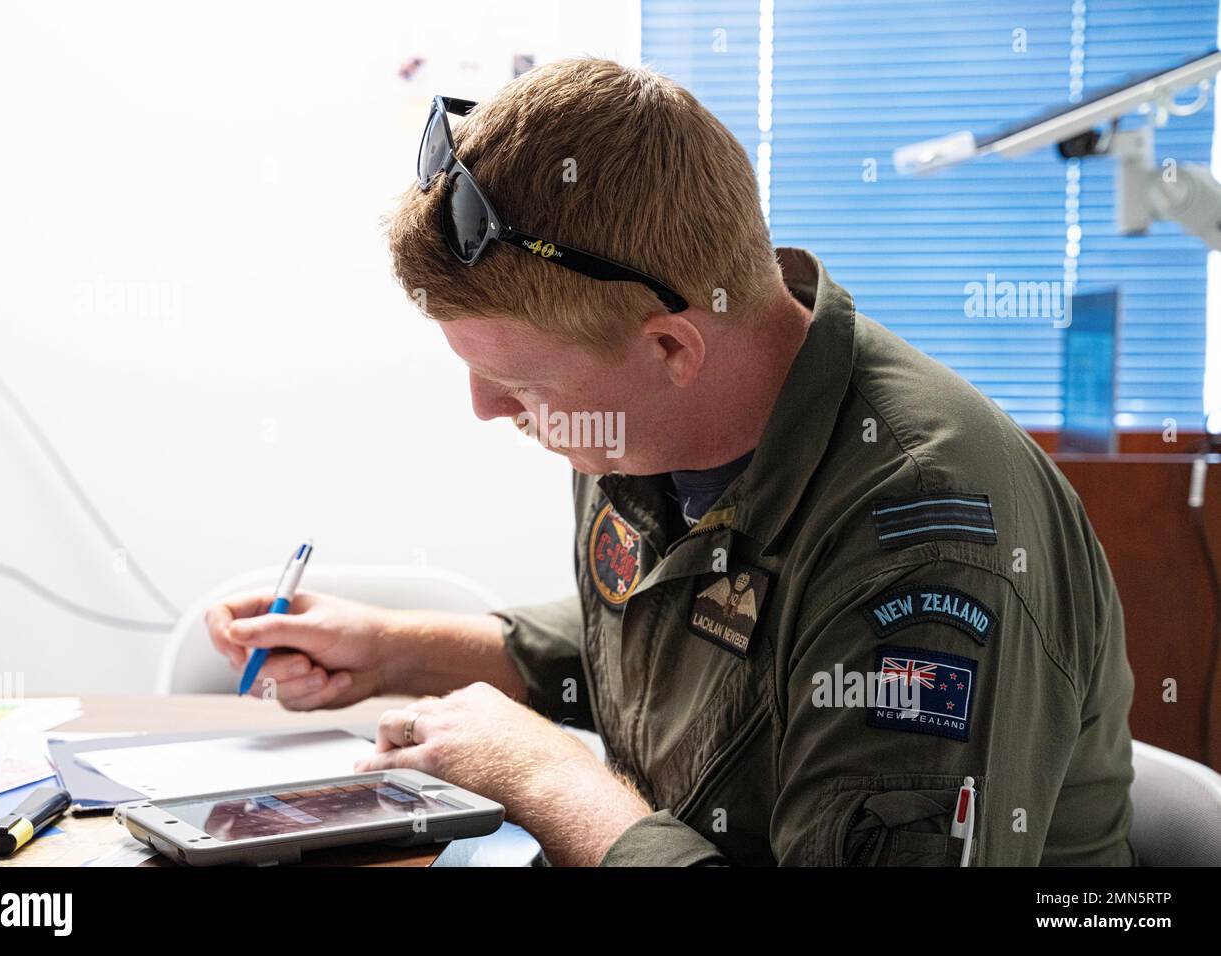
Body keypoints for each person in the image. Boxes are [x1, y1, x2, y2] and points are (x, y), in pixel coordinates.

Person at [206, 57, 1135, 866]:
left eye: (519, 384)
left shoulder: (923, 537)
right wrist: (396, 650)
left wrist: (543, 774)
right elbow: (693, 639)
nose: (488, 410)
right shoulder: (646, 422)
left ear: (671, 349)